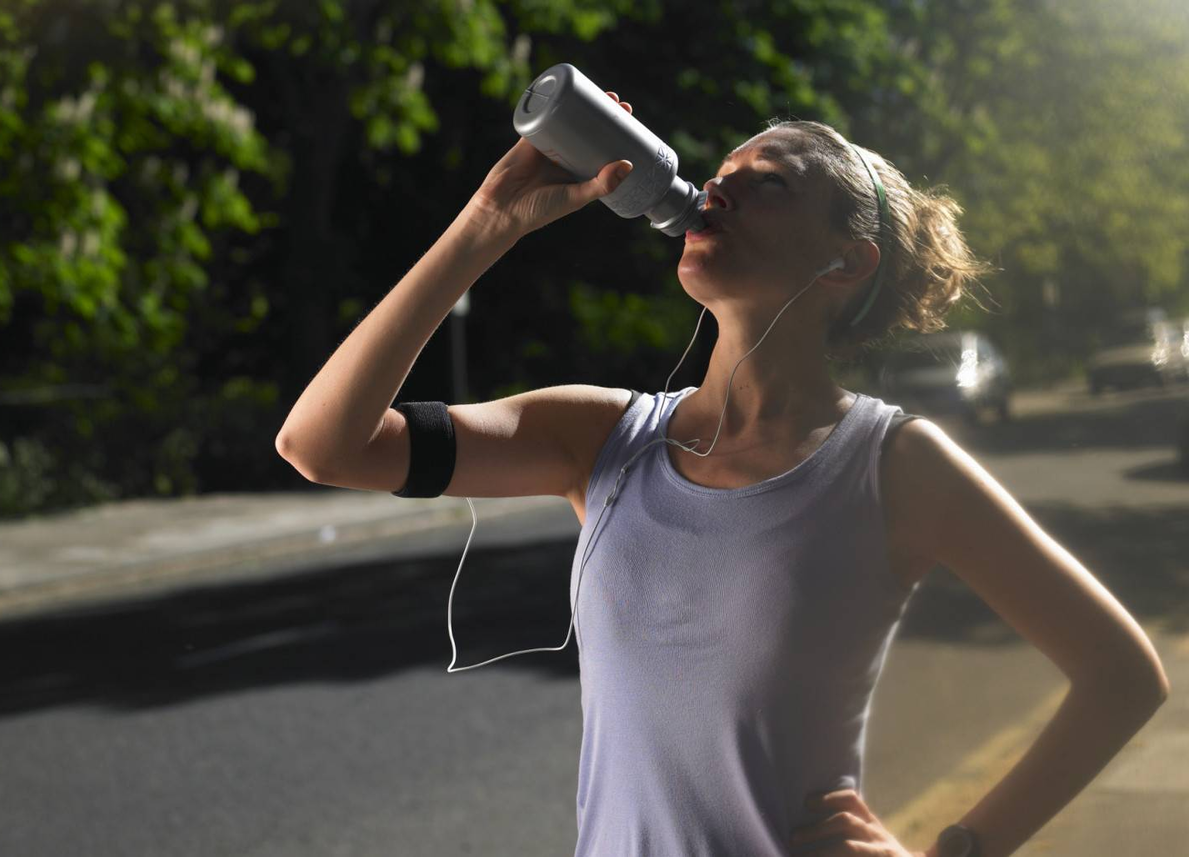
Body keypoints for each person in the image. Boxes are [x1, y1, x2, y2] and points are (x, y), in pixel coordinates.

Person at [275, 93, 1170, 857]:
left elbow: (1123, 673)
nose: (718, 189)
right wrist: (488, 220)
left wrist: (955, 850)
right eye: (723, 173)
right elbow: (324, 445)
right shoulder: (601, 437)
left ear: (844, 259)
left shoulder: (892, 464)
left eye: (768, 183)